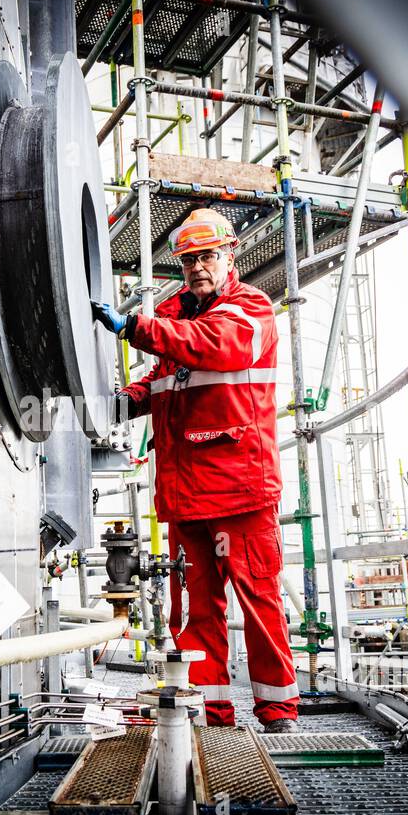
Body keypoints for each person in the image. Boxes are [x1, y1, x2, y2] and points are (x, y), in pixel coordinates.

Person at [91, 208, 300, 732]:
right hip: (185, 496)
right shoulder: (173, 317)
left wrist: (138, 327)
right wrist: (119, 402)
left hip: (240, 492)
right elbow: (163, 384)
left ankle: (277, 713)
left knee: (259, 605)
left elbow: (214, 346)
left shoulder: (250, 310)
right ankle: (210, 714)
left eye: (207, 256)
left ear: (230, 255)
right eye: (188, 259)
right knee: (192, 614)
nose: (198, 267)